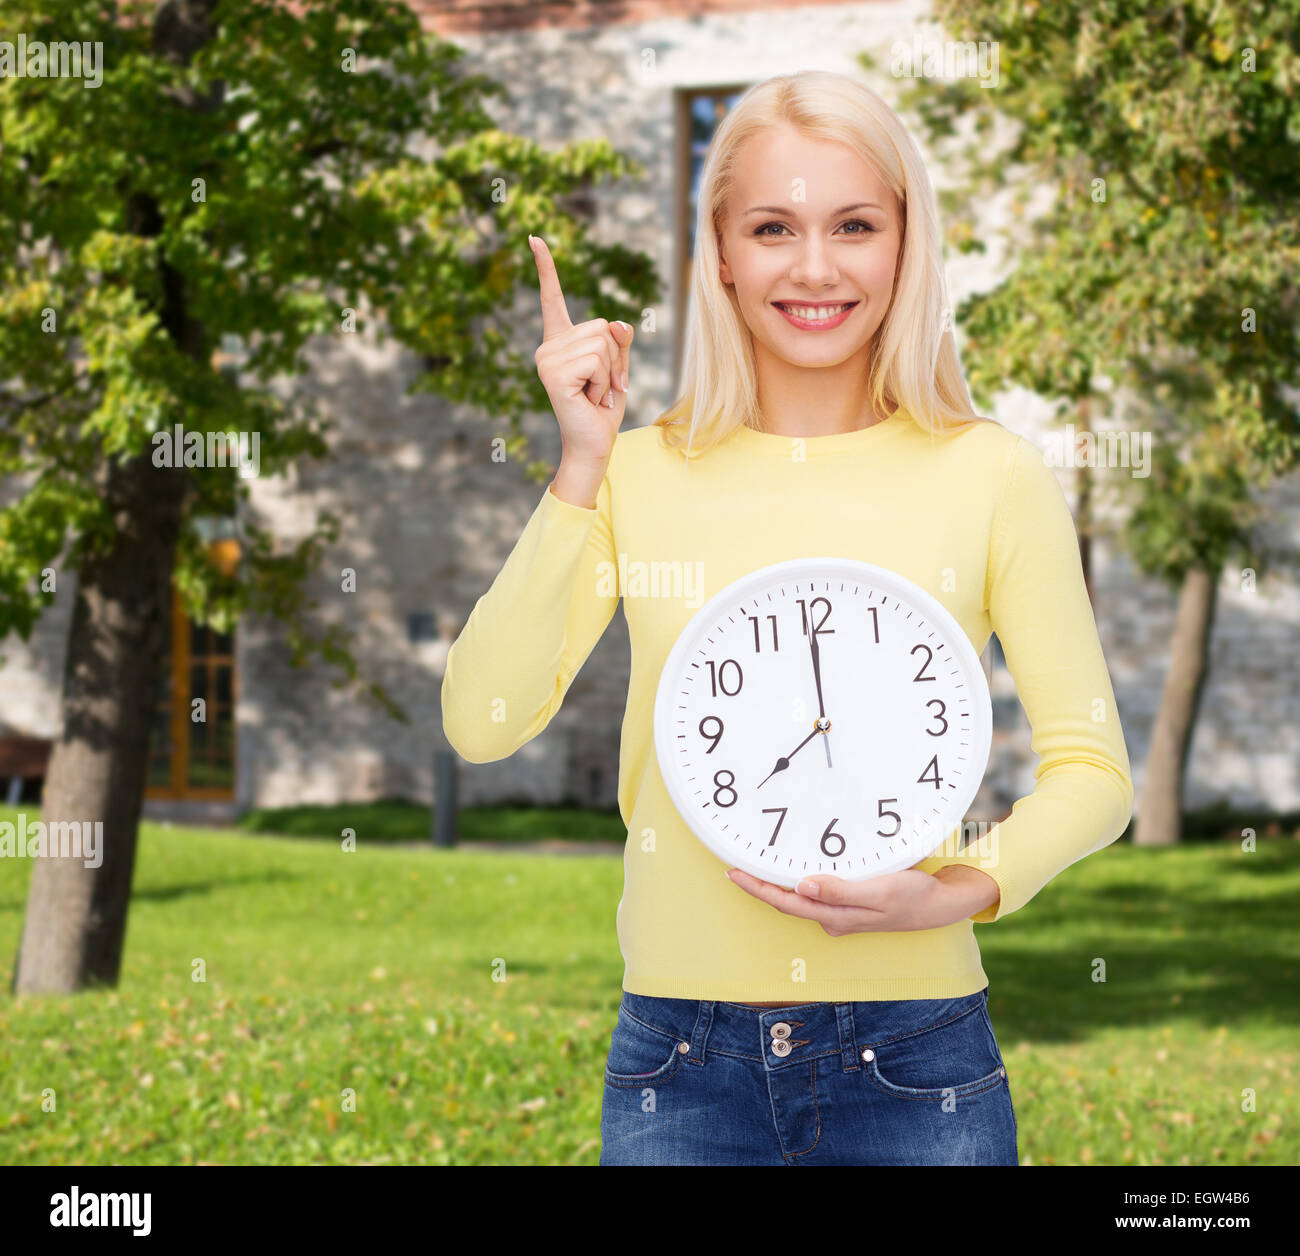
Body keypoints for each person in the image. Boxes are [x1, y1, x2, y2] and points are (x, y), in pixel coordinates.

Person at [440, 70, 1134, 1166]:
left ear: (905, 244)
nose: (815, 267)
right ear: (720, 251)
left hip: (917, 1062)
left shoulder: (991, 473)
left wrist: (951, 892)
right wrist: (576, 466)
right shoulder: (632, 474)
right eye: (773, 227)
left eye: (853, 225)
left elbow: (1095, 771)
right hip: (680, 1063)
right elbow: (481, 719)